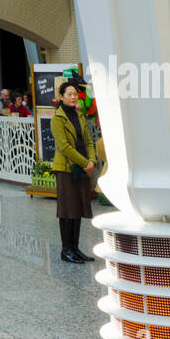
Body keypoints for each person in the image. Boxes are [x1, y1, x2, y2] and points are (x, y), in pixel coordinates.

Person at [51, 81, 96, 263]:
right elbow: (64, 147)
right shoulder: (58, 118)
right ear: (61, 97)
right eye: (69, 94)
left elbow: (89, 141)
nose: (73, 97)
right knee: (67, 210)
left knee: (77, 209)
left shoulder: (79, 116)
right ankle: (66, 249)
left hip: (82, 168)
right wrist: (86, 162)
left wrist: (91, 160)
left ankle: (75, 248)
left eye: (75, 94)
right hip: (66, 169)